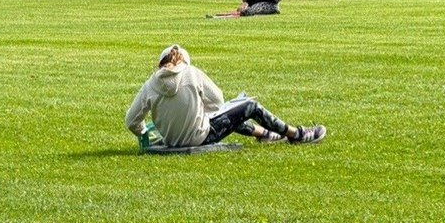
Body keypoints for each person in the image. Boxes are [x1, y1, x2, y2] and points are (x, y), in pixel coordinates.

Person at [125, 44, 323, 148]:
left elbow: (131, 121)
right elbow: (218, 100)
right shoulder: (192, 73)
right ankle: (295, 134)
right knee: (249, 107)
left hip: (170, 140)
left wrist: (145, 133)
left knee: (225, 117)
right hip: (199, 138)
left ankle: (264, 135)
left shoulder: (150, 85)